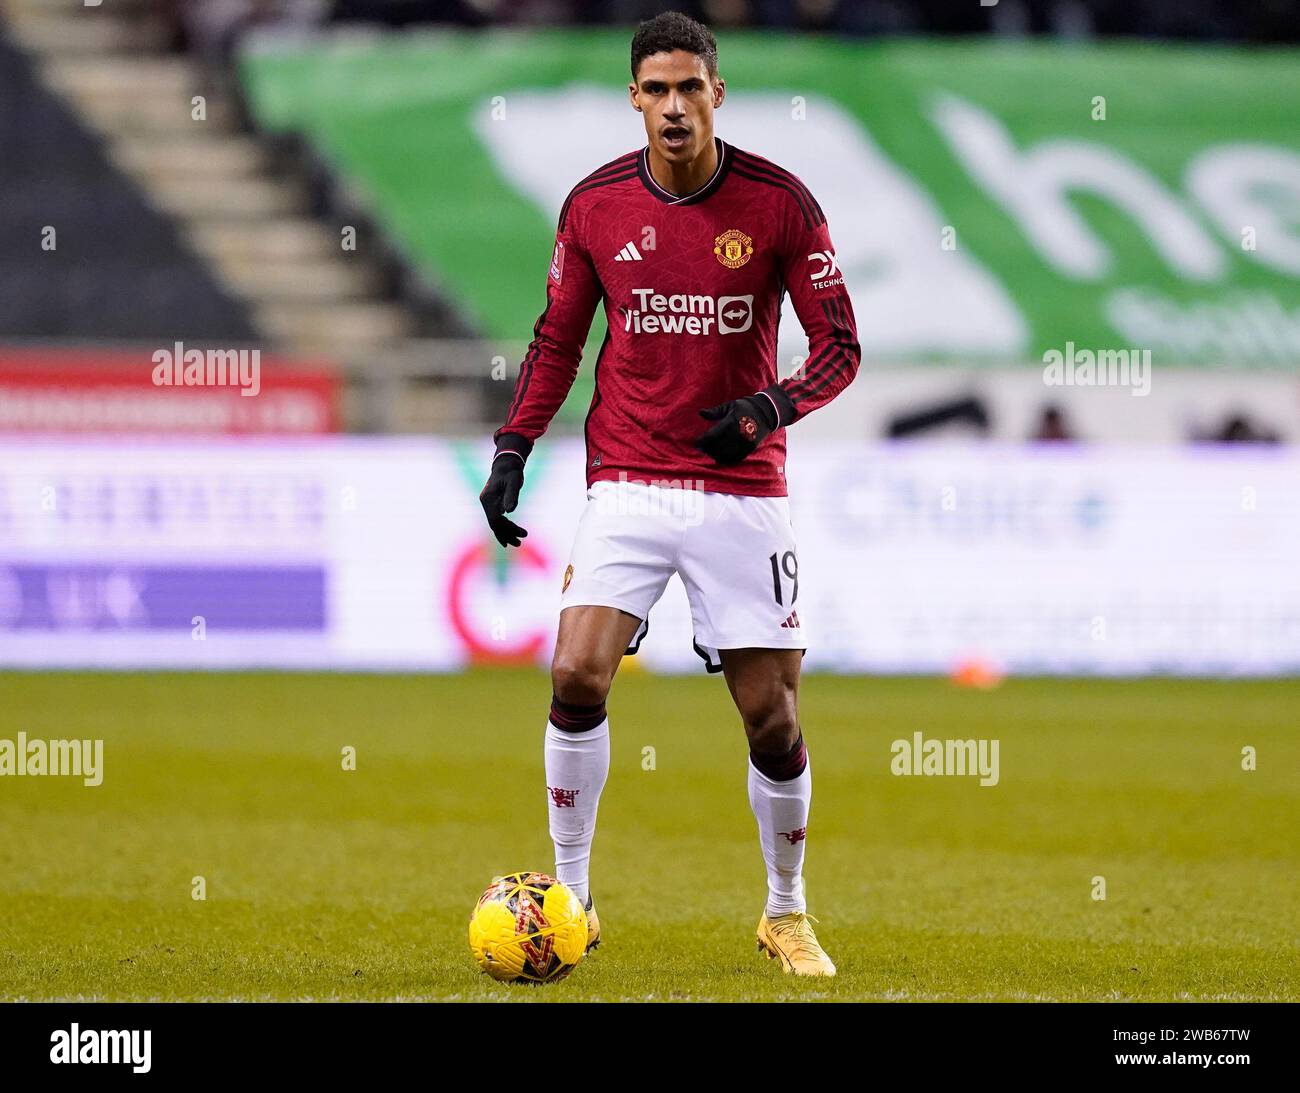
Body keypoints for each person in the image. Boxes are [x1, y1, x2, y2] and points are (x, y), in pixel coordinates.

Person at [478, 10, 859, 976]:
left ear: (717, 95)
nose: (676, 106)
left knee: (772, 717)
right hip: (630, 477)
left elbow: (841, 349)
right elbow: (558, 339)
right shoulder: (596, 204)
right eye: (658, 90)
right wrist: (515, 445)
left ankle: (786, 911)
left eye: (692, 88)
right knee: (575, 673)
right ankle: (572, 897)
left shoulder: (778, 204)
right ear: (635, 100)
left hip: (742, 488)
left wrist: (768, 408)